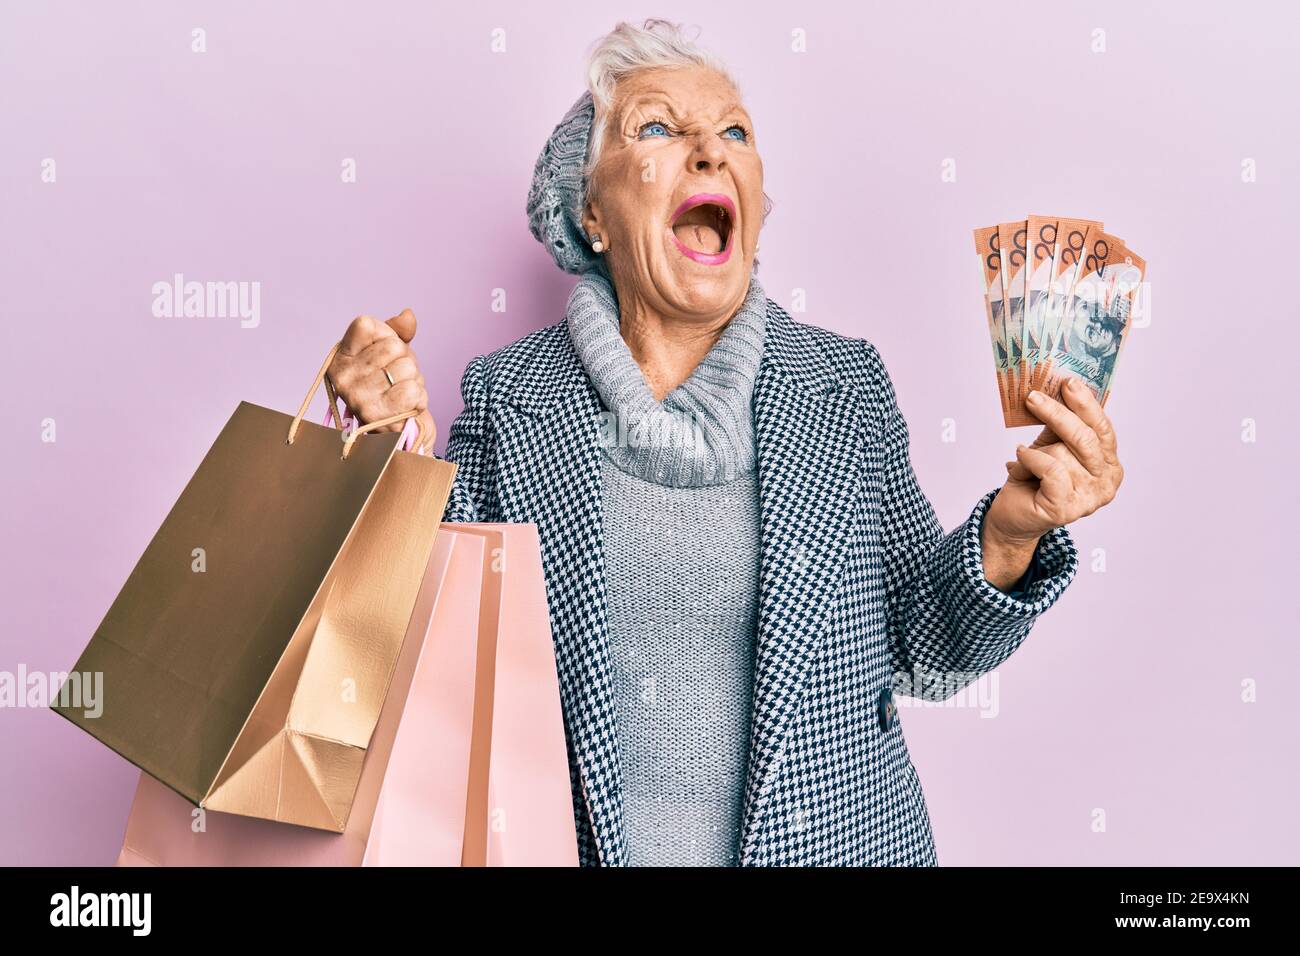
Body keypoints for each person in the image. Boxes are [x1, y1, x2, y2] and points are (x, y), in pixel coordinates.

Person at [323, 19, 1124, 866]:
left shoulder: (844, 388)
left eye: (734, 132)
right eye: (659, 129)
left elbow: (924, 648)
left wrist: (1008, 536)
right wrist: (387, 450)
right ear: (591, 211)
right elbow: (423, 671)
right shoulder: (507, 399)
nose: (711, 150)